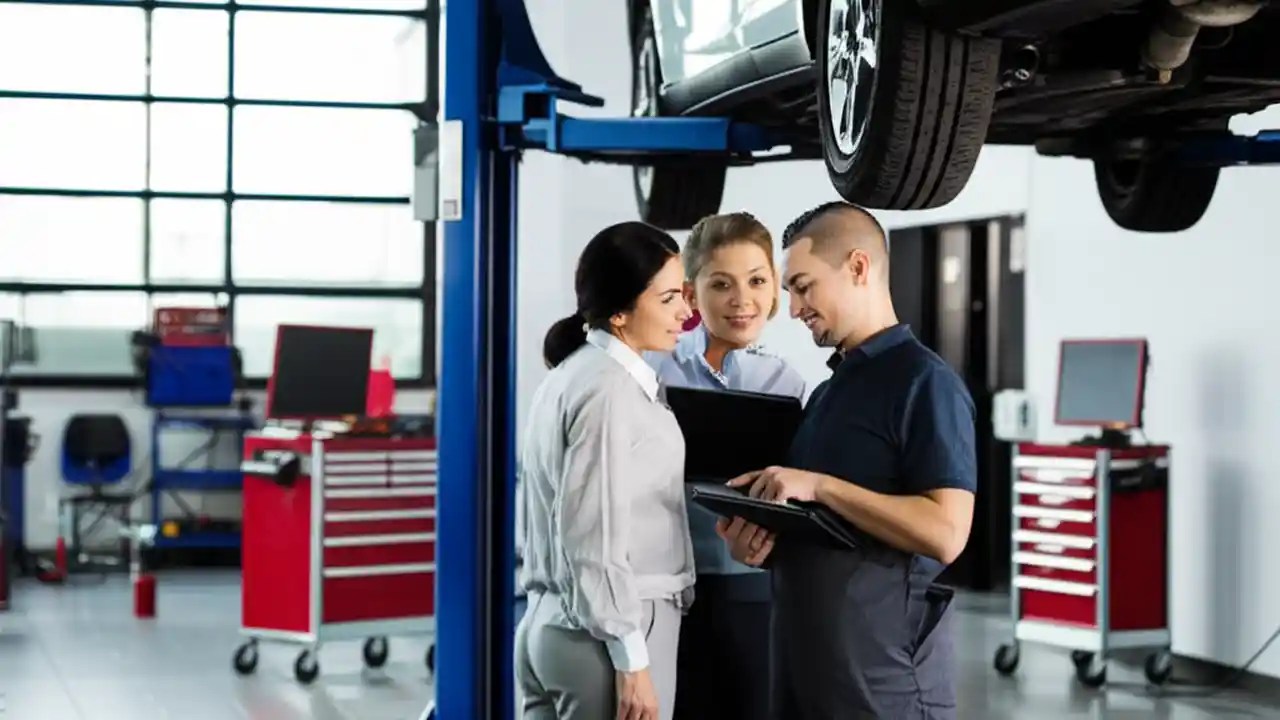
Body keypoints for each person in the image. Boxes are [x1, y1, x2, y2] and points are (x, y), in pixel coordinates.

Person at [718, 201, 977, 719]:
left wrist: (822, 486)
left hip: (883, 688)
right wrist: (762, 544)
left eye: (803, 286)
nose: (792, 308)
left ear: (858, 268)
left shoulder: (925, 385)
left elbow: (948, 531)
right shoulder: (828, 393)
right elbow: (837, 535)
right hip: (807, 674)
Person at [515, 220, 697, 720]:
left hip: (549, 626)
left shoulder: (568, 376)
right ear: (620, 313)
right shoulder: (611, 392)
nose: (685, 311)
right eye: (667, 300)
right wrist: (631, 659)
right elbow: (591, 533)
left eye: (681, 294)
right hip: (612, 635)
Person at [646, 212, 805, 720]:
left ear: (775, 289)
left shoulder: (787, 383)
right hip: (664, 591)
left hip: (752, 590)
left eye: (757, 281)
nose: (743, 299)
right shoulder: (654, 370)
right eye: (722, 284)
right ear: (691, 295)